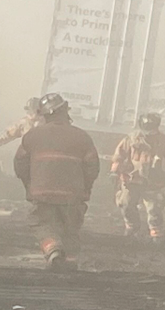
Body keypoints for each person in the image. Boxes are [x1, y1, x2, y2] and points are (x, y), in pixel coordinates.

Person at [13, 93, 100, 271]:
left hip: (42, 193)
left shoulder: (32, 136)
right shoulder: (82, 137)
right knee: (70, 228)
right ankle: (71, 264)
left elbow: (20, 164)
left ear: (45, 115)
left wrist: (29, 185)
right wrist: (85, 188)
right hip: (72, 195)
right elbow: (92, 167)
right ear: (65, 111)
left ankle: (52, 250)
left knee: (42, 223)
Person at [111, 113, 165, 245]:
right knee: (126, 203)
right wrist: (114, 172)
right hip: (131, 179)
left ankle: (156, 234)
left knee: (154, 208)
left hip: (152, 181)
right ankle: (132, 227)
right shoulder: (132, 138)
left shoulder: (163, 141)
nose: (149, 133)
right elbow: (119, 155)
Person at [0, 97, 45, 171]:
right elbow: (7, 134)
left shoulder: (48, 124)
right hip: (28, 158)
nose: (28, 112)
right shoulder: (24, 123)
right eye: (28, 110)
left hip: (43, 158)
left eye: (32, 110)